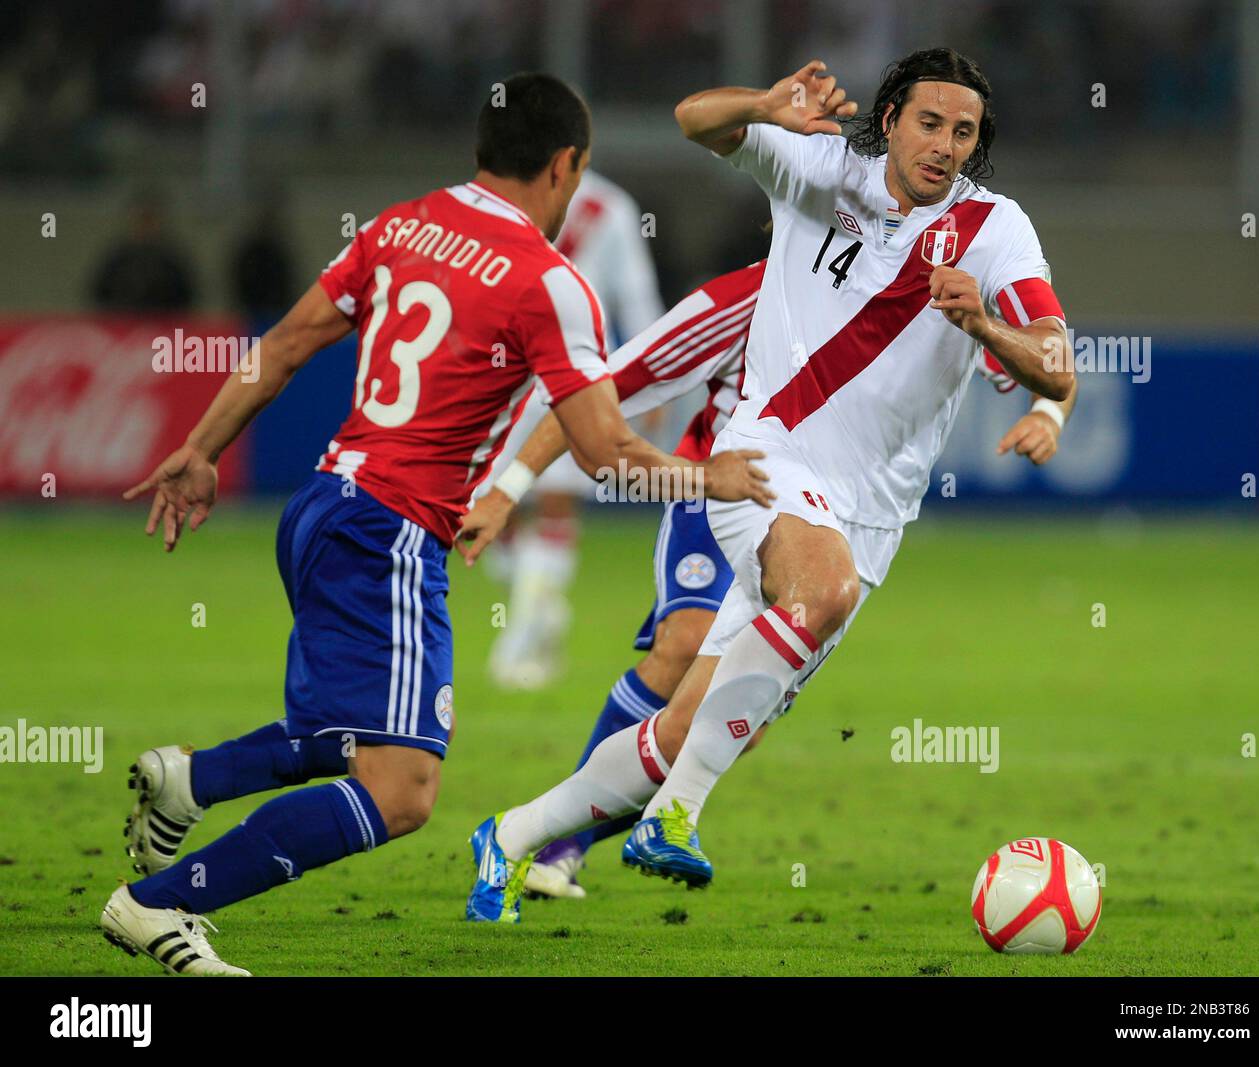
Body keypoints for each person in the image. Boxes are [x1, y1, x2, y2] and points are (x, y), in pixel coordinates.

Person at [98, 72, 771, 975]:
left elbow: (288, 342)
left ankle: (195, 779)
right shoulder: (548, 278)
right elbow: (609, 450)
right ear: (567, 164)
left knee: (353, 732)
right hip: (392, 532)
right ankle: (160, 903)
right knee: (403, 787)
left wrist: (201, 449)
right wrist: (708, 473)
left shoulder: (397, 225)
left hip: (322, 507)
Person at [463, 48, 1077, 916]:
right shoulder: (823, 166)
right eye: (929, 122)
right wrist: (766, 104)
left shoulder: (997, 231)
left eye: (964, 132)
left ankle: (518, 835)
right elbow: (693, 119)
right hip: (764, 463)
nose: (944, 144)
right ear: (892, 118)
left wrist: (987, 325)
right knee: (795, 602)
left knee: (690, 726)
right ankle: (675, 815)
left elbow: (1057, 363)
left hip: (873, 517)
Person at [482, 169, 666, 690]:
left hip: (522, 371)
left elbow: (635, 293)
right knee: (529, 504)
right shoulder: (612, 206)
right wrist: (653, 376)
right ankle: (538, 599)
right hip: (570, 372)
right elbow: (636, 294)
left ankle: (520, 634)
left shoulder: (502, 198)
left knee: (509, 500)